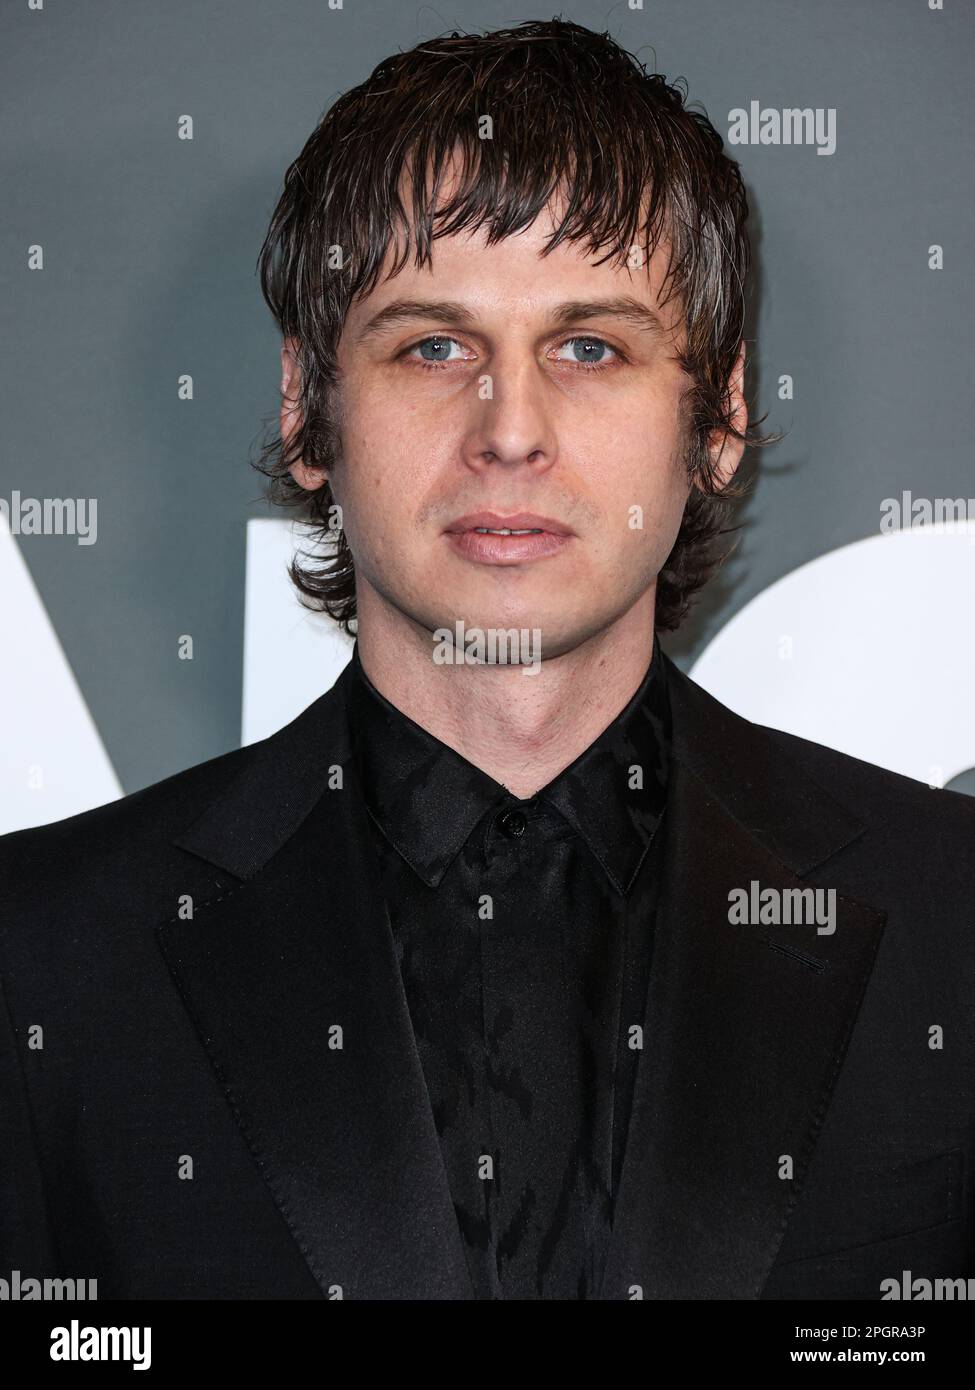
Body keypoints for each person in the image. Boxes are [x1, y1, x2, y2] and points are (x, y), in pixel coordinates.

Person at [1, 18, 972, 1302]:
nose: (509, 431)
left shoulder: (953, 925)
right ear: (307, 411)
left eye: (590, 348)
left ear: (720, 417)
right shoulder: (49, 953)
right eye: (433, 346)